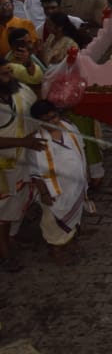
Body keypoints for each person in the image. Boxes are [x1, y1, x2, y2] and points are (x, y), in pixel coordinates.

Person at [27, 99, 89, 261]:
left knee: (75, 215)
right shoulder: (37, 141)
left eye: (54, 117)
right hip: (53, 190)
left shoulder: (70, 128)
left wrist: (85, 173)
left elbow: (81, 152)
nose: (52, 122)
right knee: (52, 221)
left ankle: (71, 241)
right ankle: (56, 249)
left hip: (75, 184)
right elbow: (35, 172)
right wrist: (44, 193)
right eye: (46, 120)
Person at [0, 57, 45, 271]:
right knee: (2, 211)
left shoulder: (21, 92)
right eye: (3, 74)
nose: (9, 77)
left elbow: (36, 110)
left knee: (17, 202)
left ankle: (12, 238)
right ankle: (4, 252)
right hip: (2, 167)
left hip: (24, 161)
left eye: (8, 71)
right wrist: (23, 141)